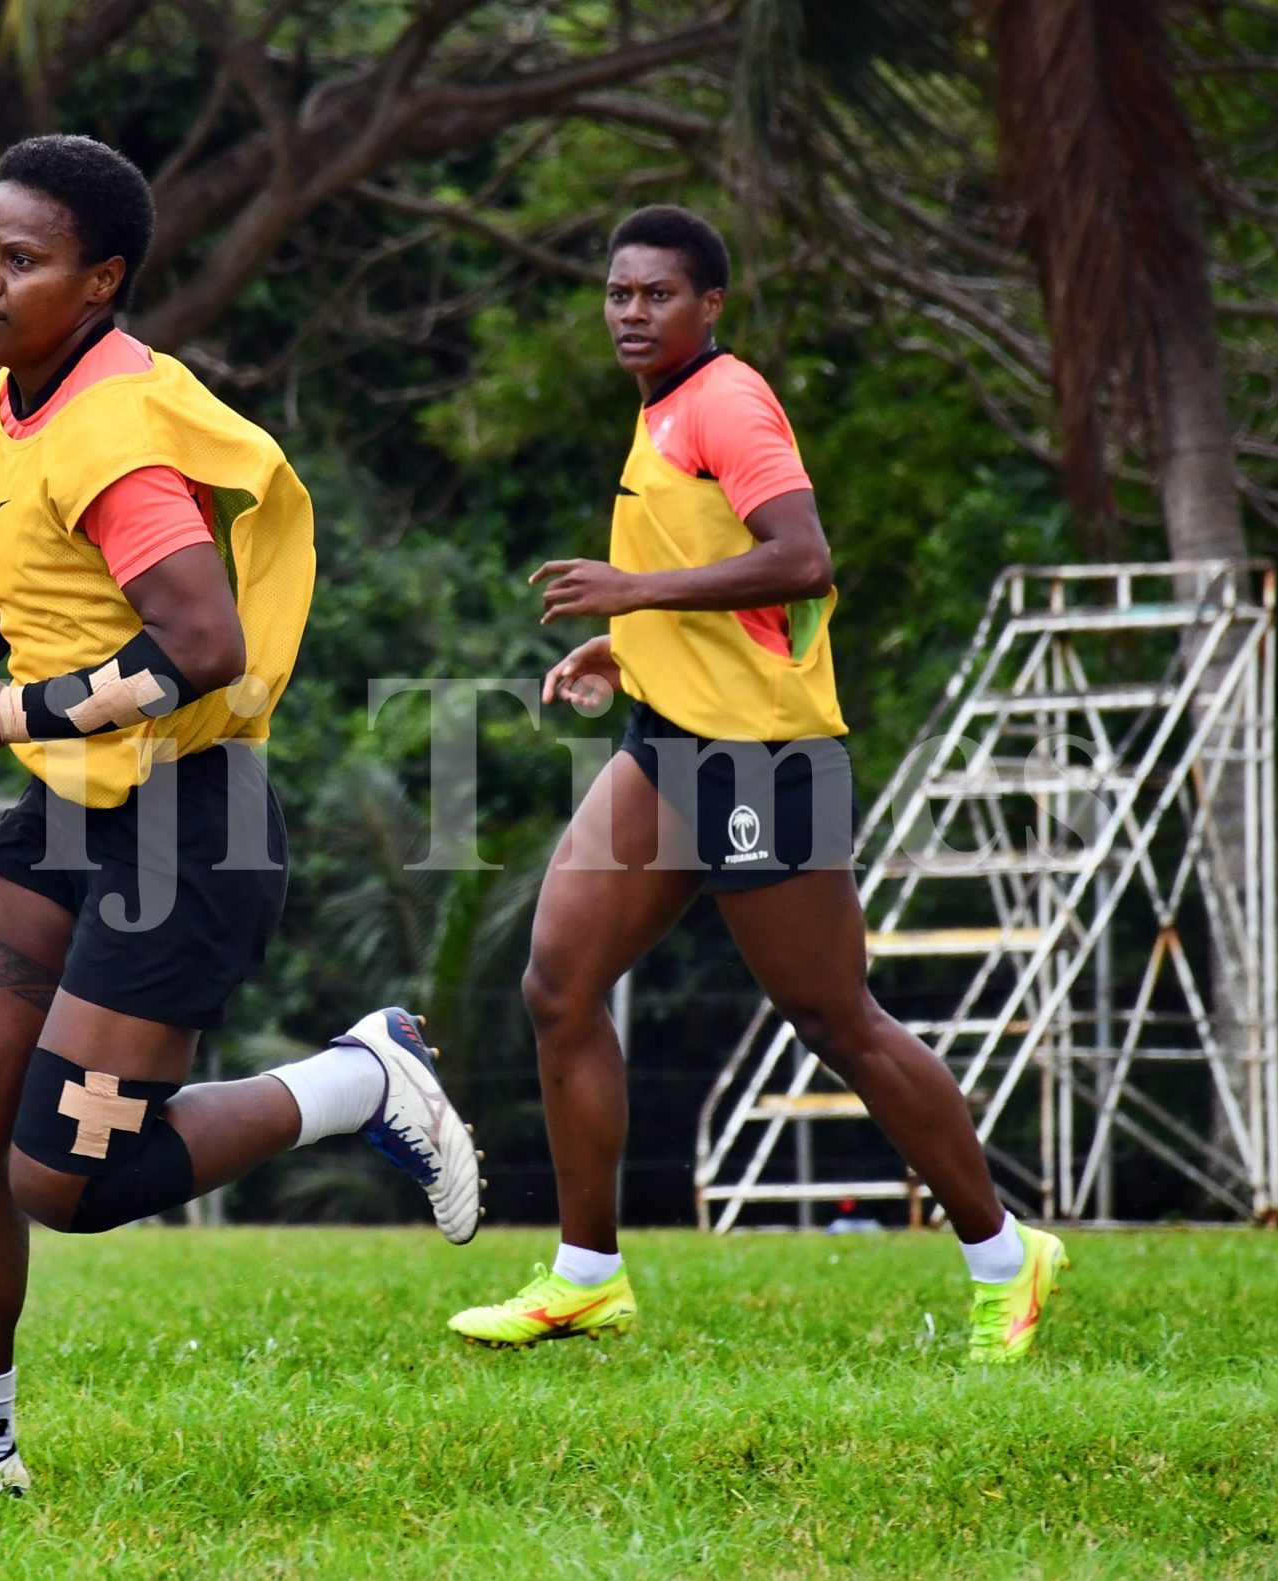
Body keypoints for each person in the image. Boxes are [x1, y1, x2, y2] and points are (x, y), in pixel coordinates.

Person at [0, 136, 481, 1500]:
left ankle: (360, 1080)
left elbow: (203, 646)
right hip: (68, 811)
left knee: (66, 1180)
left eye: (22, 258)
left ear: (102, 279)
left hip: (189, 827)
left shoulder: (122, 435)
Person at [446, 206, 1066, 1364]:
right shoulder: (659, 414)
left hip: (765, 762)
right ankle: (586, 1277)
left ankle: (1003, 1253)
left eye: (658, 295)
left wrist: (631, 599)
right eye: (618, 294)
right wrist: (624, 648)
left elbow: (802, 557)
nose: (632, 314)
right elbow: (712, 582)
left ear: (709, 304)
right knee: (557, 985)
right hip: (666, 741)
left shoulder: (727, 399)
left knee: (832, 1016)